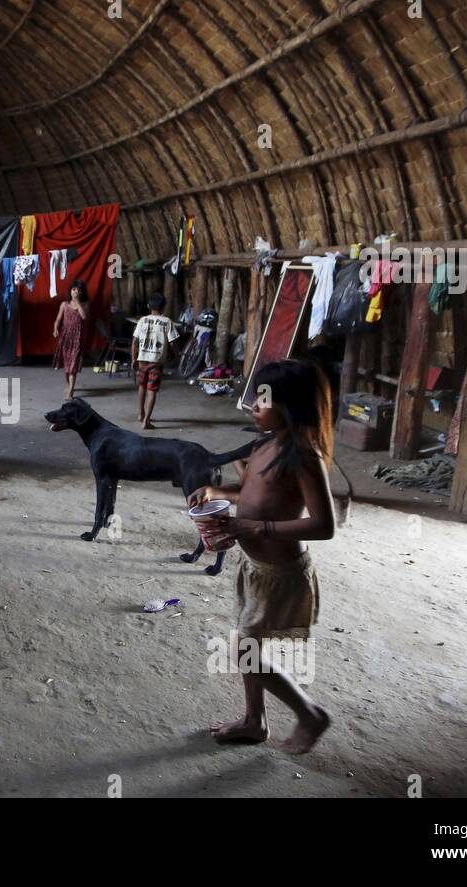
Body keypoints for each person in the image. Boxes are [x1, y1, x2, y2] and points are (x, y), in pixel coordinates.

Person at [188, 359, 336, 755]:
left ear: (292, 406)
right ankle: (255, 722)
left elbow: (324, 525)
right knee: (248, 643)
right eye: (256, 396)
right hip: (254, 568)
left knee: (244, 651)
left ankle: (309, 714)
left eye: (265, 399)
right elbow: (252, 492)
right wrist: (217, 493)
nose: (254, 404)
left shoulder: (304, 455)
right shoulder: (264, 444)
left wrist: (259, 529)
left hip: (282, 573)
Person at [130, 292, 177, 429]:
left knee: (142, 386)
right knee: (152, 390)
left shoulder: (142, 320)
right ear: (164, 307)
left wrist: (133, 358)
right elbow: (173, 342)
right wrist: (178, 355)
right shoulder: (167, 322)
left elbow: (134, 342)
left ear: (148, 306)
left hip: (142, 360)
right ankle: (146, 421)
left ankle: (140, 414)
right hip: (156, 361)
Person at [52, 278, 89, 400]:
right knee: (67, 366)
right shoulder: (64, 304)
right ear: (70, 291)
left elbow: (84, 316)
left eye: (78, 290)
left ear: (82, 293)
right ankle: (68, 384)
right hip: (66, 338)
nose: (75, 292)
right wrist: (56, 328)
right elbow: (58, 319)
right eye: (73, 289)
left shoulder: (84, 305)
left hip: (77, 339)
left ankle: (71, 392)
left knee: (73, 365)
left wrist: (78, 302)